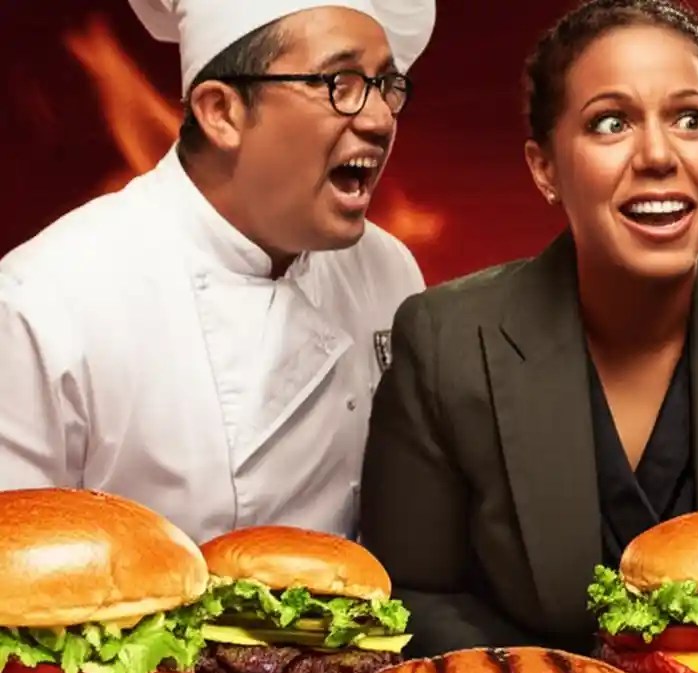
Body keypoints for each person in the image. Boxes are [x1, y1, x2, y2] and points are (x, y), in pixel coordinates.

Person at [361, 0, 698, 657]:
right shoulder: (446, 341)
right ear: (543, 166)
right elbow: (414, 593)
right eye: (611, 123)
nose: (659, 154)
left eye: (691, 118)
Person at [0, 0, 435, 543]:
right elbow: (14, 568)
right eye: (340, 82)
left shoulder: (387, 269)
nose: (378, 119)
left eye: (386, 85)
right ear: (221, 111)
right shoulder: (45, 301)